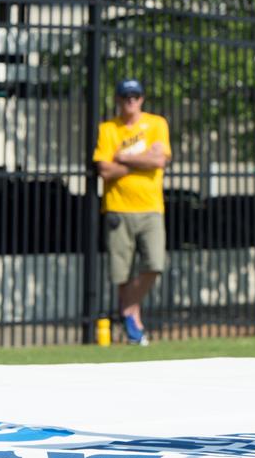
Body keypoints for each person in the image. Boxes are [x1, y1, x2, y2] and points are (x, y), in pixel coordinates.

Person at [93, 77, 171, 346]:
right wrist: (143, 162)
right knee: (121, 273)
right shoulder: (108, 129)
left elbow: (160, 160)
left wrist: (123, 158)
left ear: (142, 98)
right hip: (118, 208)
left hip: (151, 207)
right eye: (126, 96)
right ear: (118, 99)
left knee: (155, 264)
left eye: (135, 96)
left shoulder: (156, 124)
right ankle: (133, 326)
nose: (131, 101)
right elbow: (104, 170)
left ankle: (128, 309)